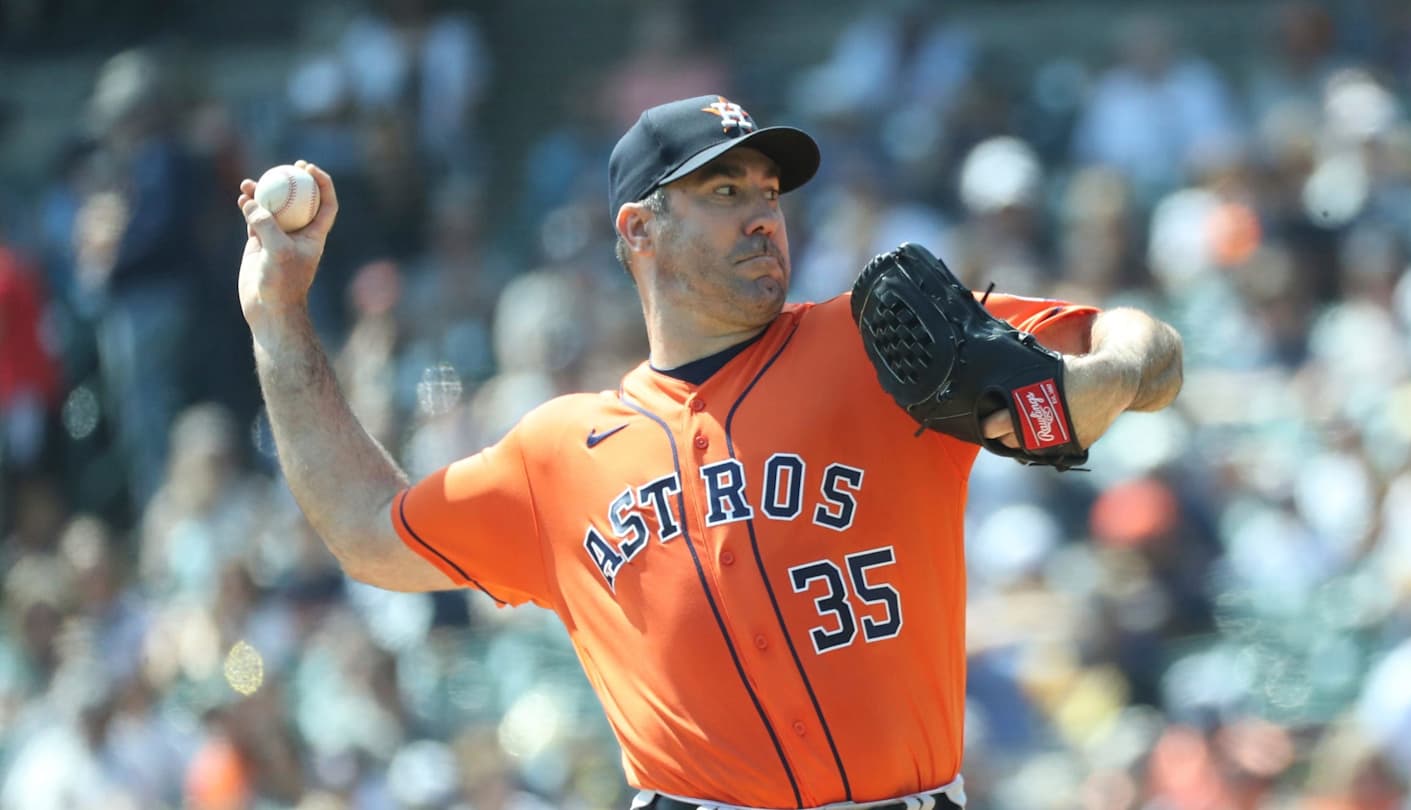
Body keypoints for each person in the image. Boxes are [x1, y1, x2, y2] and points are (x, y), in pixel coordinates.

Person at [234, 94, 1183, 810]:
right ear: (638, 229)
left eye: (769, 190)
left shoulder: (875, 341)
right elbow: (366, 533)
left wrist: (1100, 382)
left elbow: (1149, 351)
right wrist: (276, 316)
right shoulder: (557, 454)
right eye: (724, 190)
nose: (763, 213)